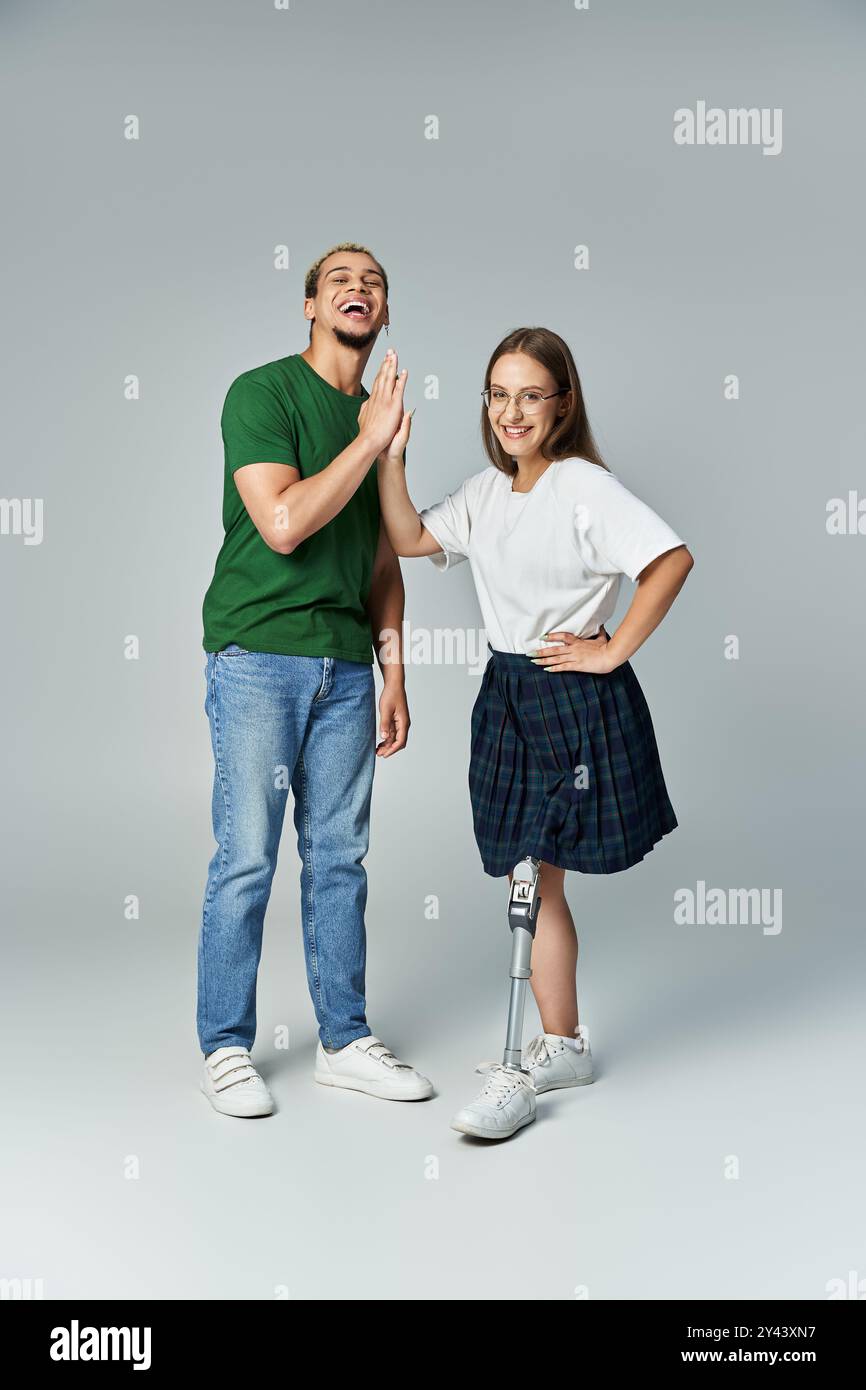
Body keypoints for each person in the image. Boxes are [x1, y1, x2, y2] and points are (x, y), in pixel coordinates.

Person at [376, 326, 694, 1140]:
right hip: (506, 696)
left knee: (530, 882)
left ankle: (521, 1067)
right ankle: (566, 1044)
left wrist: (614, 646)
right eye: (498, 394)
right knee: (536, 881)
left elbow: (669, 559)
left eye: (530, 395)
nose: (512, 411)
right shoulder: (487, 493)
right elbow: (411, 538)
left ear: (563, 402)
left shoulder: (584, 485)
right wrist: (389, 453)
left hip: (568, 699)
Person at [197, 242, 433, 1116]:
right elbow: (287, 521)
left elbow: (380, 558)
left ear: (384, 314)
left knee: (339, 858)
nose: (358, 290)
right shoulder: (260, 393)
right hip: (258, 656)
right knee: (248, 857)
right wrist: (370, 441)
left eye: (373, 282)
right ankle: (225, 1047)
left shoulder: (376, 420)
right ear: (309, 306)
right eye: (339, 279)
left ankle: (343, 1039)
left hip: (344, 668)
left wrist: (394, 668)